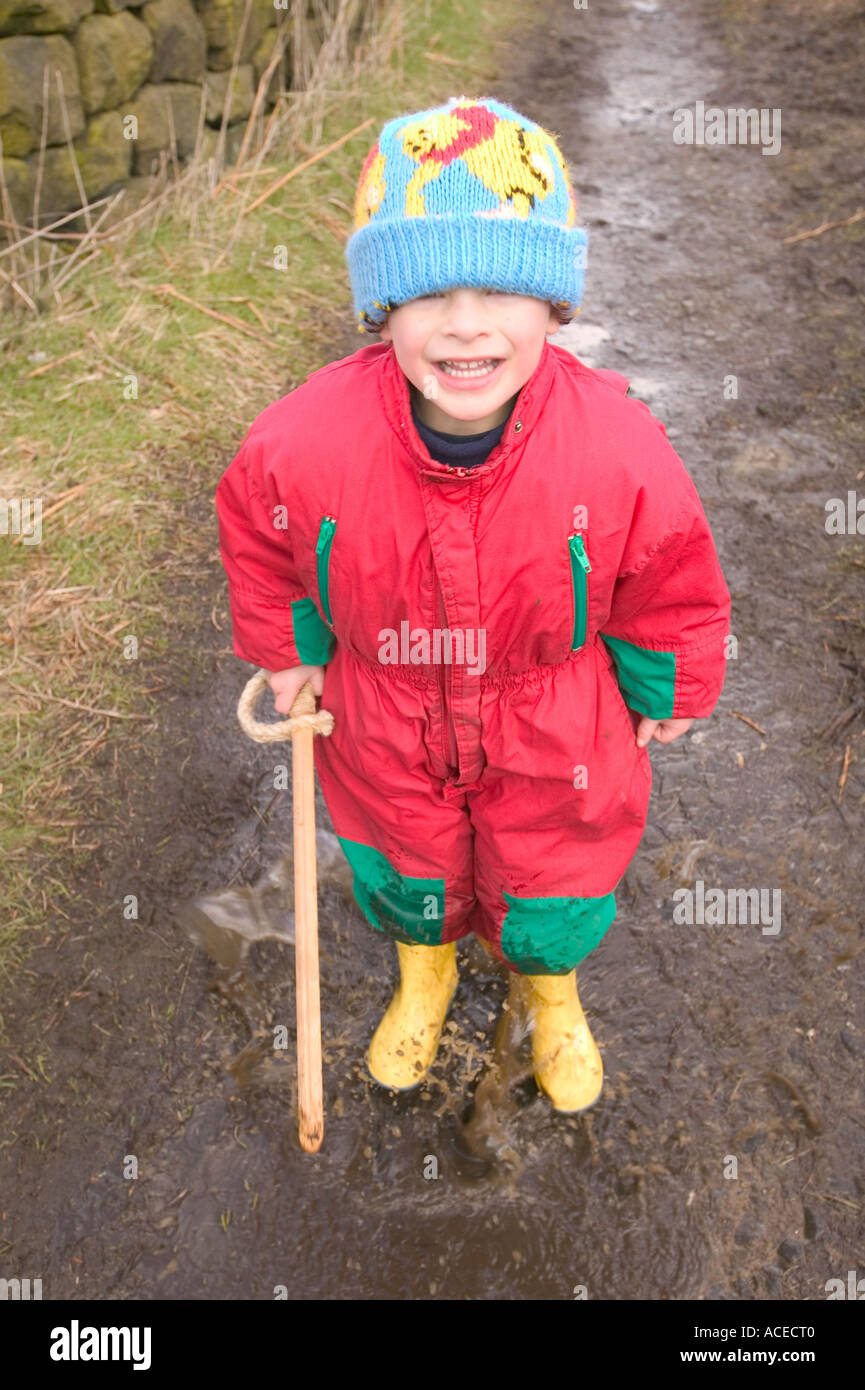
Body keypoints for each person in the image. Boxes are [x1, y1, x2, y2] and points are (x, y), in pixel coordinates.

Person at [215, 95, 731, 1113]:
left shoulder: (620, 446)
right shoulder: (303, 440)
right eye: (428, 292)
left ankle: (550, 989)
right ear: (382, 308)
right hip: (382, 709)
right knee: (404, 853)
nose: (464, 324)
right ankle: (426, 971)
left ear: (553, 305)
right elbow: (262, 538)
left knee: (554, 863)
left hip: (557, 715)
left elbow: (668, 575)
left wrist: (668, 678)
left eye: (500, 287)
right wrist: (289, 647)